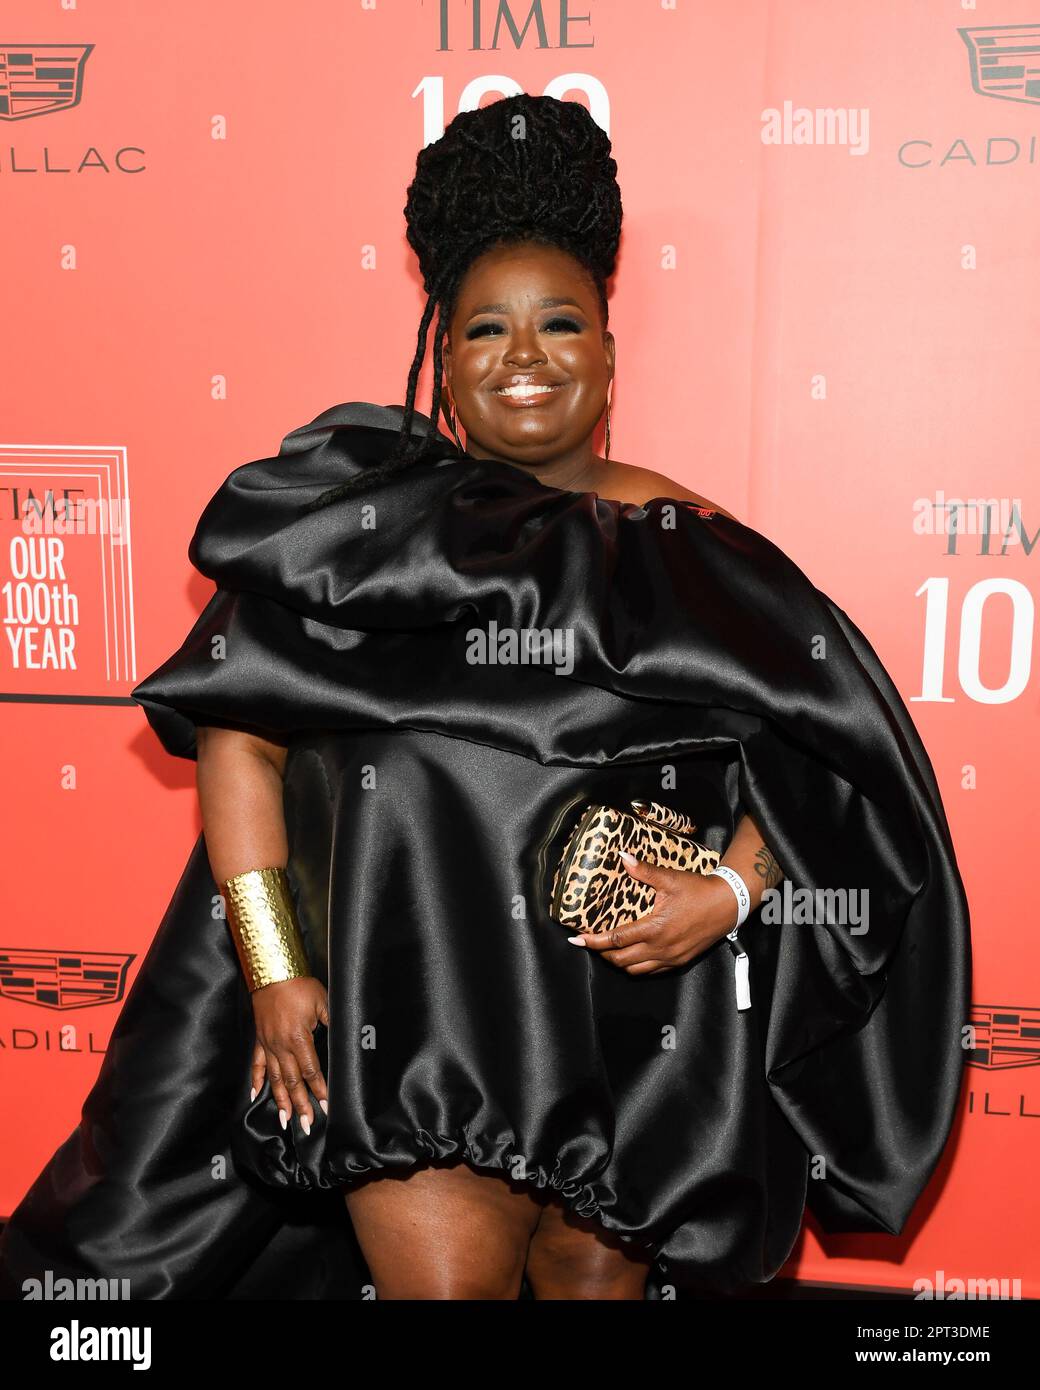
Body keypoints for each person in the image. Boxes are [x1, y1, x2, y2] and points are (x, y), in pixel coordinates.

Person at [0, 94, 971, 1302]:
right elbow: (239, 734)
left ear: (611, 353)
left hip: (639, 1047)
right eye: (484, 332)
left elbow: (834, 757)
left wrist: (728, 890)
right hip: (413, 1030)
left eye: (560, 323)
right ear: (442, 367)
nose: (525, 357)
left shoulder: (690, 542)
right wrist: (272, 967)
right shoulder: (359, 529)